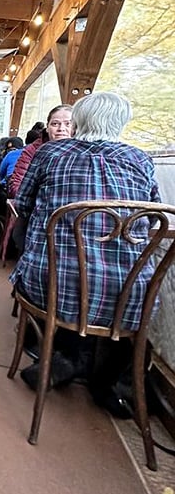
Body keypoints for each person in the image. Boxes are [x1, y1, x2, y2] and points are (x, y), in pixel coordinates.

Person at [11, 92, 161, 413]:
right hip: (129, 296)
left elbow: (21, 204)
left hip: (51, 286)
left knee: (61, 271)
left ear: (77, 122)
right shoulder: (142, 160)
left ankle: (65, 360)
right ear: (121, 123)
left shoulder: (50, 154)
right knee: (116, 289)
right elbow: (150, 220)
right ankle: (103, 383)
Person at [8, 104, 73, 198]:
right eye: (55, 124)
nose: (61, 128)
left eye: (68, 124)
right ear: (47, 127)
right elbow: (16, 187)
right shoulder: (33, 150)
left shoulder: (87, 152)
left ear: (76, 127)